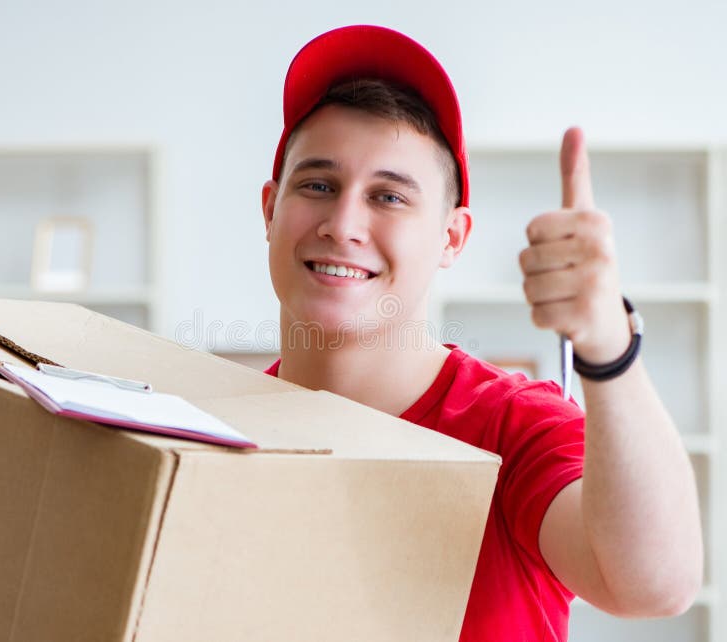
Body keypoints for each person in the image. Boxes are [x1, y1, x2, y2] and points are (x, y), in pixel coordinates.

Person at [260, 25, 702, 641]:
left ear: (451, 238)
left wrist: (609, 348)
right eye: (318, 185)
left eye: (388, 196)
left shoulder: (514, 430)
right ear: (269, 210)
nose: (343, 223)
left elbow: (655, 585)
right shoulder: (216, 437)